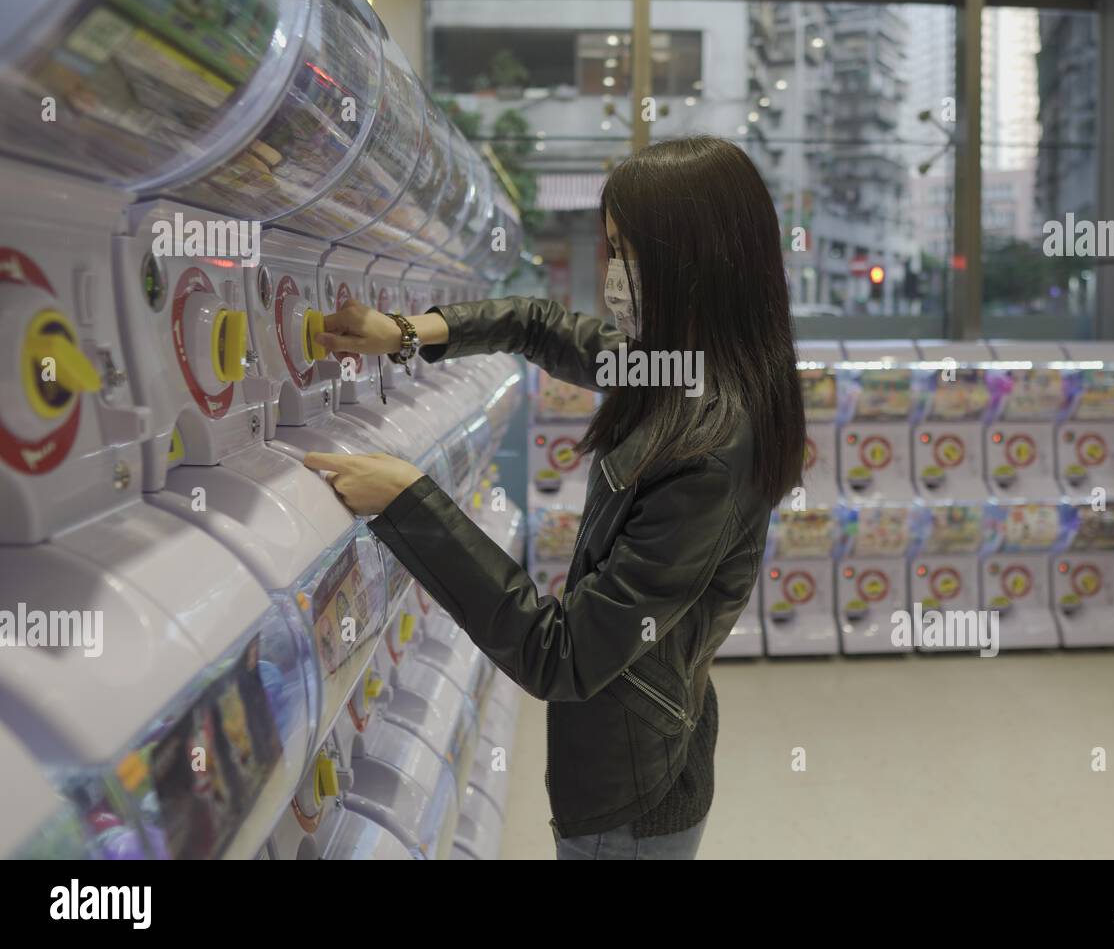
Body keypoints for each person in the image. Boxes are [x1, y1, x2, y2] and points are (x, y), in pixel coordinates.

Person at [304, 135, 805, 860]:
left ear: (693, 261)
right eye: (611, 248)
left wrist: (409, 497)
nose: (612, 274)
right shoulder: (681, 366)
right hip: (648, 742)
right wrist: (406, 333)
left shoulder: (711, 441)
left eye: (626, 251)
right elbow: (541, 326)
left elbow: (563, 654)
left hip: (631, 794)